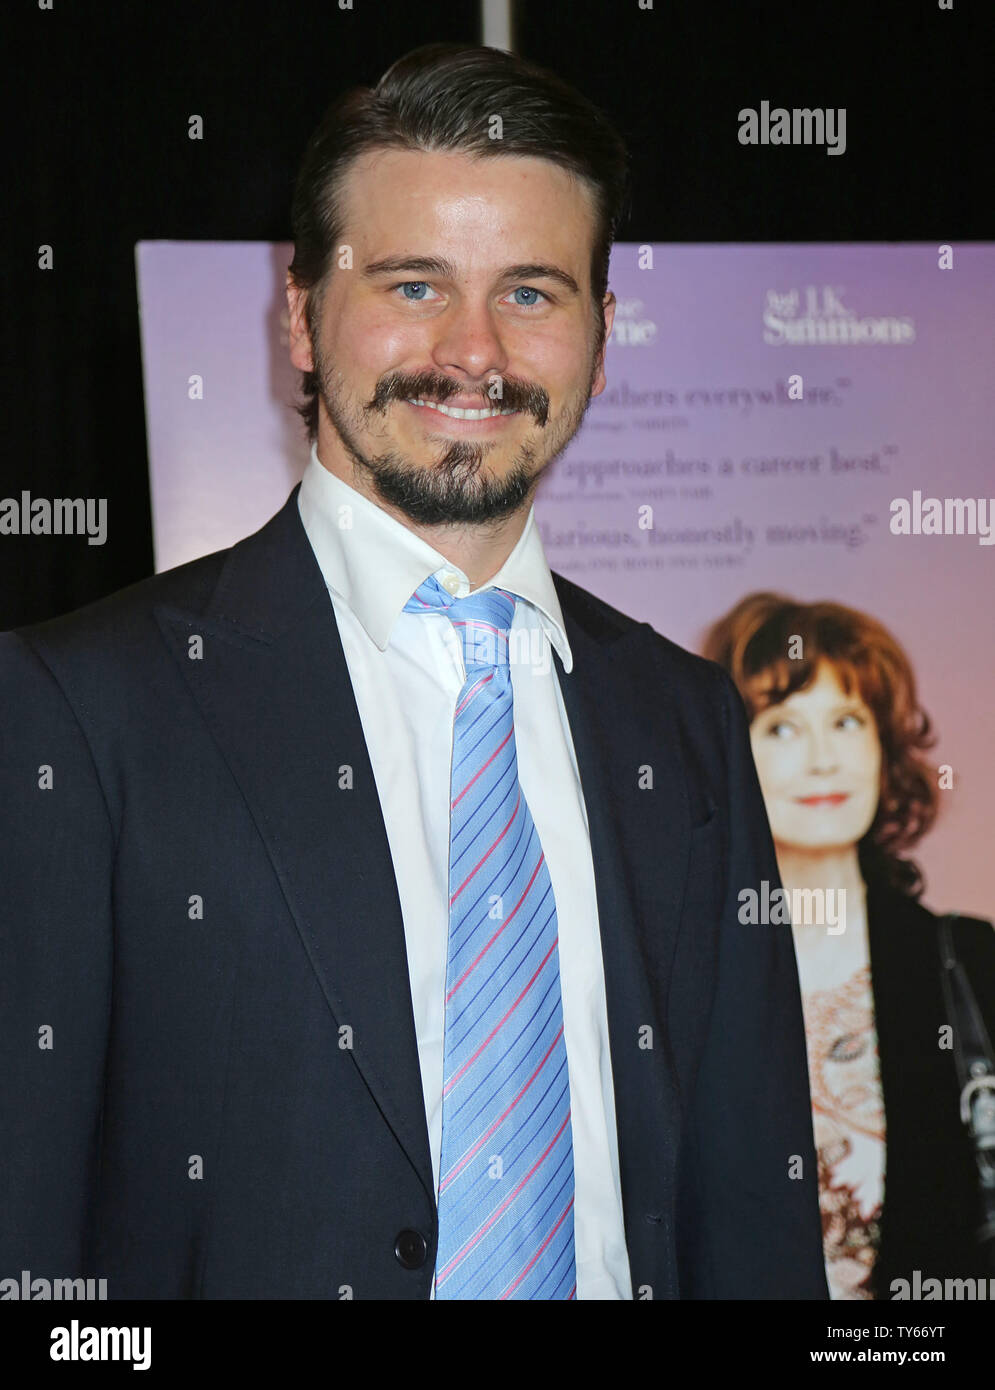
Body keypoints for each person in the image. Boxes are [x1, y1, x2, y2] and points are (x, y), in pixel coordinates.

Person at [0, 43, 826, 1301]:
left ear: (602, 340)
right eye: (413, 284)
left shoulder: (687, 718)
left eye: (533, 293)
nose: (474, 349)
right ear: (299, 316)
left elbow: (753, 1229)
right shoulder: (82, 707)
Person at [703, 592, 995, 1299]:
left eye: (845, 721)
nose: (822, 758)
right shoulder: (685, 975)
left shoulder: (965, 960)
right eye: (780, 728)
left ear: (882, 747)